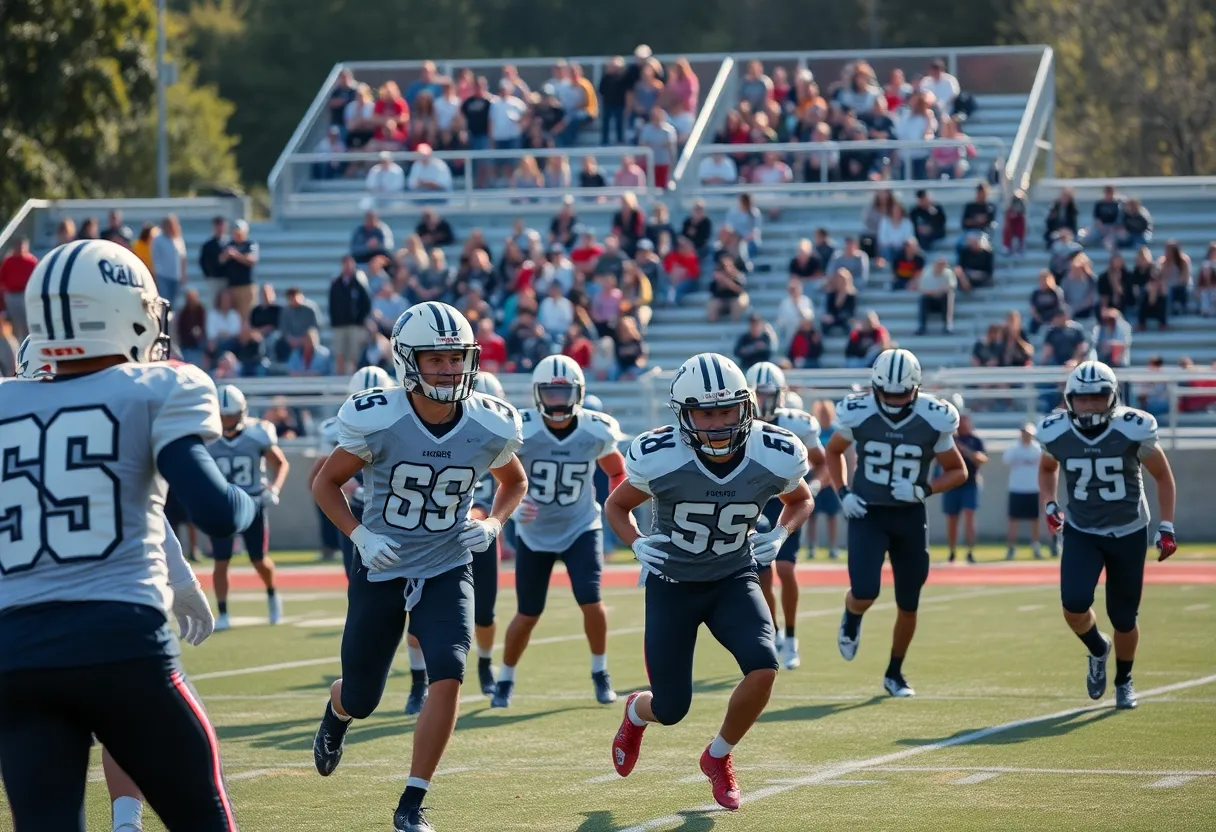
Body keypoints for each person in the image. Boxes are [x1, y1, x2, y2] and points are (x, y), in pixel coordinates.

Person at [0, 239, 256, 831]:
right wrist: (249, 504)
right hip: (121, 642)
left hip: (16, 655)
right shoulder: (156, 386)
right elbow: (216, 512)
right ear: (121, 310)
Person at [311, 301, 528, 832]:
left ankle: (412, 801)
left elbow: (514, 482)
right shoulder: (380, 417)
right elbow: (324, 482)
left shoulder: (486, 422)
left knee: (448, 672)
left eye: (457, 358)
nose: (450, 369)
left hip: (447, 561)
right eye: (436, 359)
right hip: (382, 564)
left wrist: (495, 523)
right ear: (408, 360)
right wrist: (359, 534)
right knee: (362, 696)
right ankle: (338, 712)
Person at [15, 338, 219, 832]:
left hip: (20, 638)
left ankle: (126, 822)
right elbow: (178, 515)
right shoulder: (127, 401)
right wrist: (185, 580)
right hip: (116, 623)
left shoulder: (10, 412)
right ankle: (125, 822)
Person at [606, 353, 813, 811]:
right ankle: (636, 713)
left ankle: (718, 757)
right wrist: (636, 542)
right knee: (672, 708)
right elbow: (616, 507)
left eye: (727, 410)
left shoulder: (771, 452)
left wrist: (781, 532)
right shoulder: (661, 456)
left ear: (747, 407)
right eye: (706, 412)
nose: (718, 422)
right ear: (684, 414)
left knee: (763, 666)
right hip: (672, 582)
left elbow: (801, 499)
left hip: (732, 576)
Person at [825, 348, 966, 696]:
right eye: (886, 392)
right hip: (868, 513)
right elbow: (832, 451)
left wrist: (924, 490)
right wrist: (844, 493)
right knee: (865, 591)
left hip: (909, 515)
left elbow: (958, 470)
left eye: (901, 393)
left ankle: (894, 672)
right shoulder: (858, 412)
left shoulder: (934, 418)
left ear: (916, 388)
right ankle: (852, 614)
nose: (893, 399)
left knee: (909, 602)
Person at [1037, 361, 1178, 710]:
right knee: (1073, 605)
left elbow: (1163, 476)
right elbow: (1046, 468)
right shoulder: (1056, 431)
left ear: (1113, 397)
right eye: (1082, 399)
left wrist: (1167, 525)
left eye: (1098, 397)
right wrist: (1050, 504)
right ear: (1069, 400)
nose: (1089, 405)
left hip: (1129, 530)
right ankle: (1098, 648)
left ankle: (1123, 680)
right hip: (1083, 529)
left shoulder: (1133, 428)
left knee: (1124, 617)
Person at [493, 356, 628, 707]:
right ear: (538, 395)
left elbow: (617, 472)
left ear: (578, 393)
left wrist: (617, 506)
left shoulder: (595, 430)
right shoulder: (521, 430)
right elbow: (494, 471)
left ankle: (600, 672)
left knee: (591, 600)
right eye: (550, 393)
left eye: (564, 392)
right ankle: (505, 678)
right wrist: (513, 505)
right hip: (534, 531)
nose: (557, 401)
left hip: (581, 524)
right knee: (528, 613)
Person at [744, 362, 826, 670]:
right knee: (761, 576)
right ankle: (775, 632)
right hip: (753, 504)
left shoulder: (798, 424)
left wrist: (814, 486)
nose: (763, 402)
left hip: (786, 503)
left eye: (769, 395)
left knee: (787, 569)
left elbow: (822, 462)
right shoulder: (734, 423)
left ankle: (791, 637)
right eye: (758, 395)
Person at [206, 385, 290, 631]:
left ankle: (273, 595)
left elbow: (281, 464)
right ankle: (222, 613)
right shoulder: (206, 437)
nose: (225, 421)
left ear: (242, 412)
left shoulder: (257, 433)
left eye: (230, 415)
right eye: (221, 416)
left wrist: (273, 489)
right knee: (221, 561)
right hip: (223, 505)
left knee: (259, 560)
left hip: (253, 502)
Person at [943, 412, 987, 563]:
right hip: (952, 483)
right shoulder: (950, 440)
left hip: (970, 484)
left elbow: (982, 459)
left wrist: (965, 451)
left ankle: (970, 551)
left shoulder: (975, 440)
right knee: (951, 518)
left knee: (969, 517)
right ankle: (952, 551)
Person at [1004, 422, 1046, 560]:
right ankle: (1011, 548)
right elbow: (1006, 460)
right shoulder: (1014, 448)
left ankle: (1035, 546)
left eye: (1028, 433)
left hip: (1032, 488)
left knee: (1034, 520)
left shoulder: (1037, 449)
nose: (1025, 436)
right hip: (1016, 488)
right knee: (1013, 520)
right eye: (1023, 433)